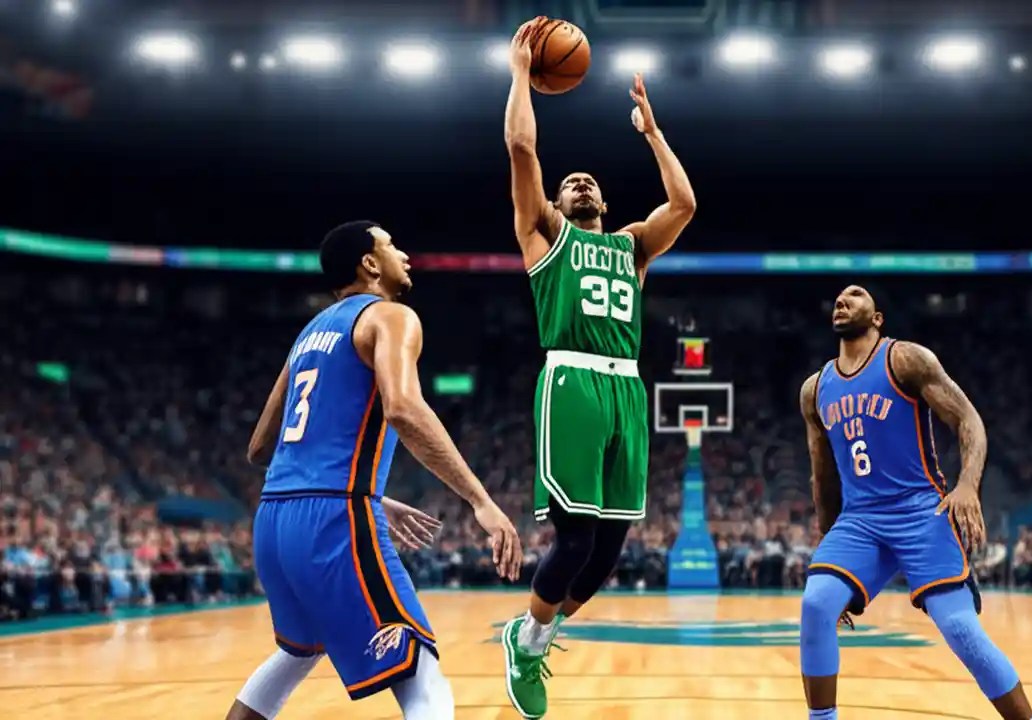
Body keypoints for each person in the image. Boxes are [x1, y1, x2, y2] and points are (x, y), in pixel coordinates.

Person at [224, 220, 523, 720]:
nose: (403, 255)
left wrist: (369, 492)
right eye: (391, 246)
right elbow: (403, 409)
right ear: (368, 263)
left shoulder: (308, 334)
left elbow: (260, 447)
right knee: (423, 678)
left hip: (274, 521)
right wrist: (481, 501)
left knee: (300, 653)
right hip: (331, 519)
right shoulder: (390, 316)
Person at [499, 18, 697, 720]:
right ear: (554, 204)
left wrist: (651, 132)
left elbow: (684, 204)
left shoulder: (633, 248)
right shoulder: (545, 236)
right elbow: (522, 146)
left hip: (627, 389)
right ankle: (527, 639)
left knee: (609, 551)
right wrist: (521, 74)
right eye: (569, 181)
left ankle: (539, 628)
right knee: (575, 536)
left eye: (590, 181)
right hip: (574, 379)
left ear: (605, 204)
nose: (580, 181)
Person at [798, 285, 1032, 720]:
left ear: (877, 317)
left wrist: (966, 485)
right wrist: (833, 556)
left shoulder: (904, 359)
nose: (842, 300)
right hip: (859, 521)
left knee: (961, 629)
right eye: (837, 297)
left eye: (855, 294)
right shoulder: (815, 390)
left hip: (919, 511)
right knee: (816, 604)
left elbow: (968, 418)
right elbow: (824, 473)